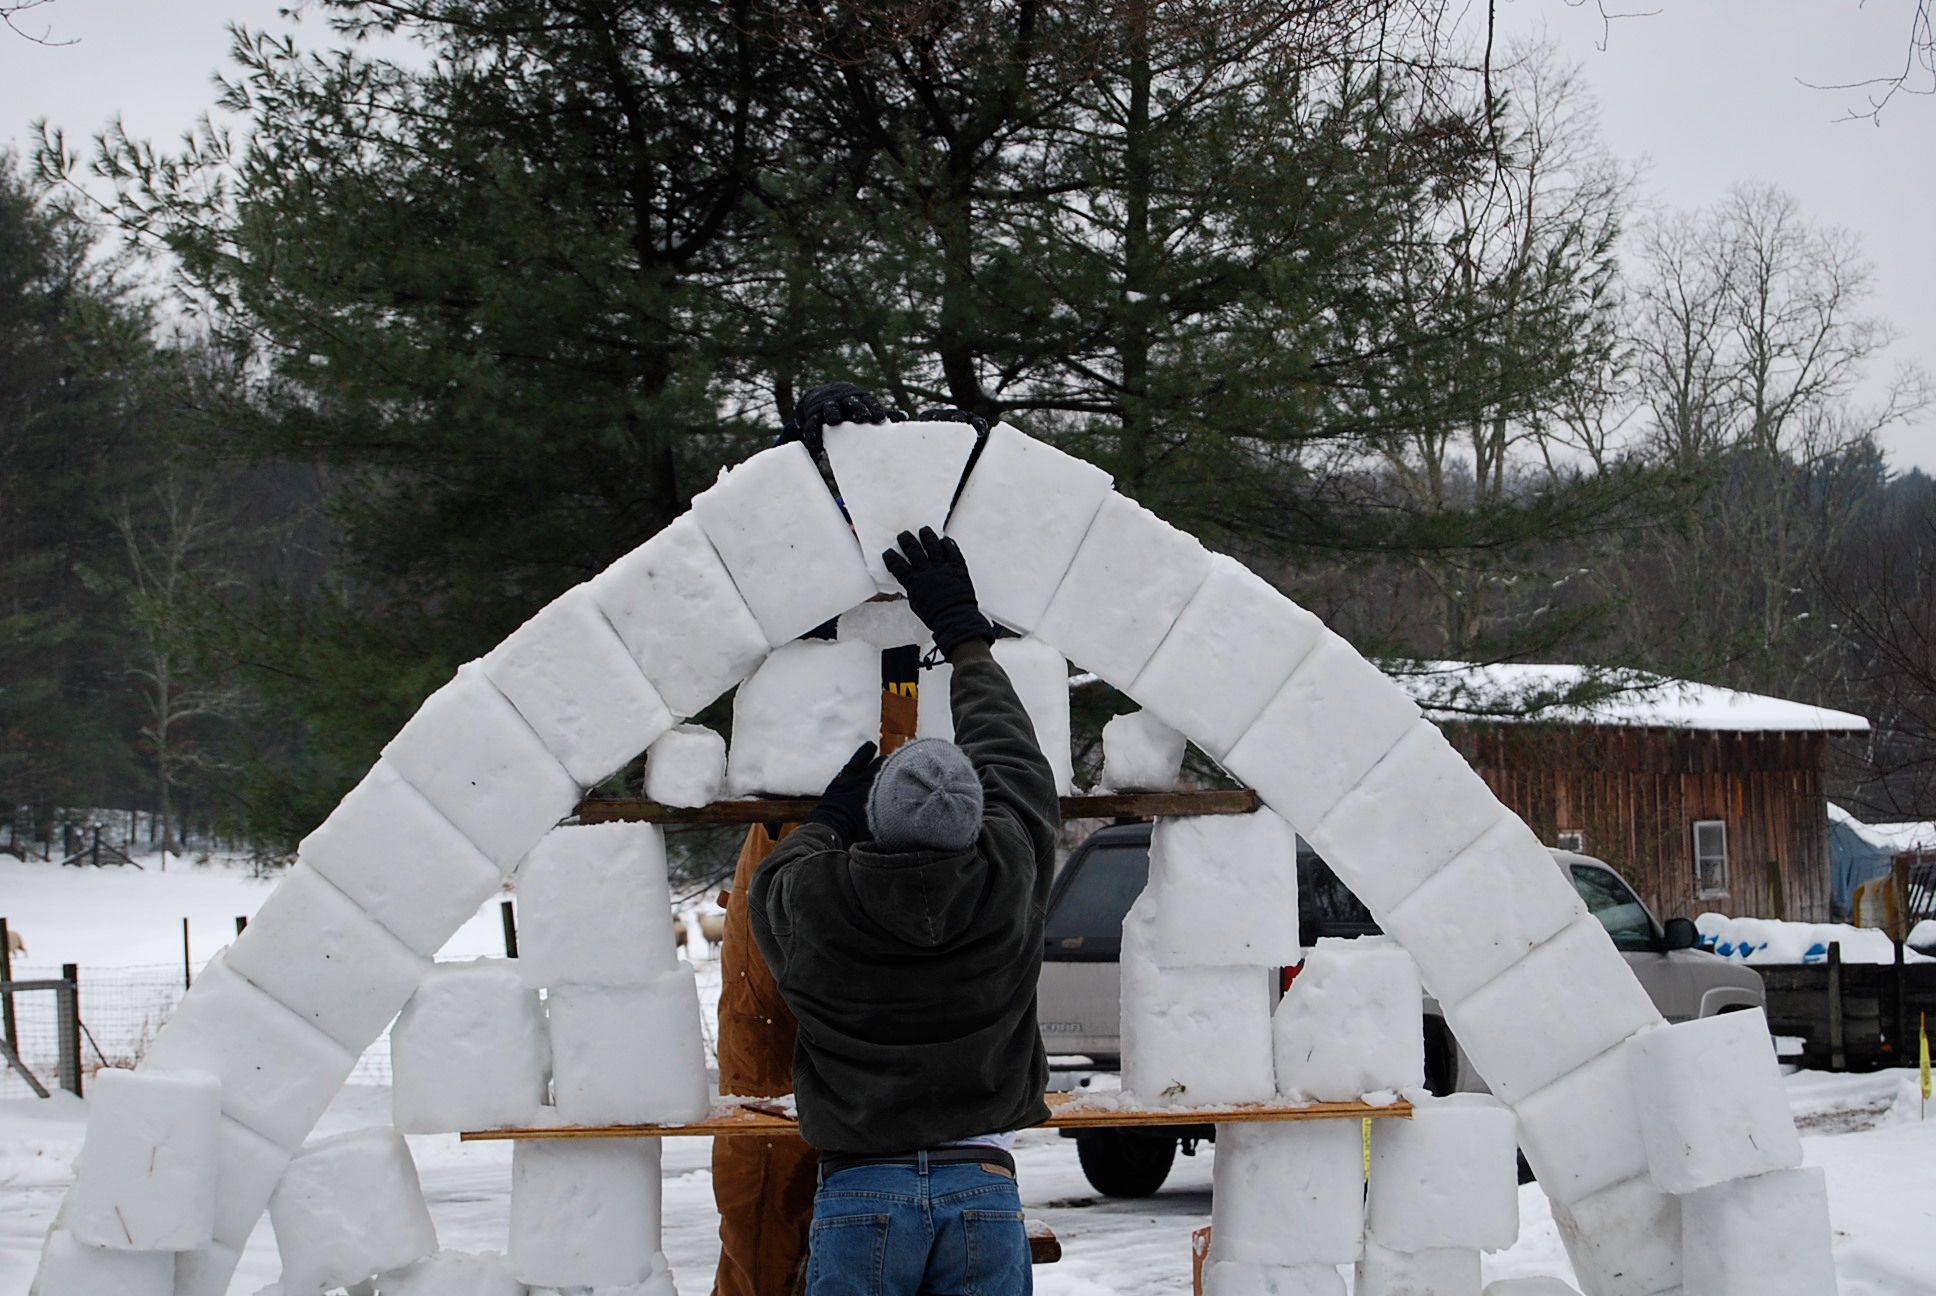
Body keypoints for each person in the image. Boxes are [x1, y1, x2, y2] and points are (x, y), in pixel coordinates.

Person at [711, 380, 983, 1296]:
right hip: (798, 835)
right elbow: (720, 586)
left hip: (924, 846)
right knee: (767, 1112)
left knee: (914, 1135)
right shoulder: (790, 570)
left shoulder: (937, 562)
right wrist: (805, 477)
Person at [748, 526, 1061, 1296]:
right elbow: (1015, 759)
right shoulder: (1010, 873)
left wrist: (829, 817)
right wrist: (965, 636)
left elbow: (773, 880)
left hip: (861, 1189)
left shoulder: (816, 900)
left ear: (876, 820)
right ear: (976, 819)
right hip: (982, 1186)